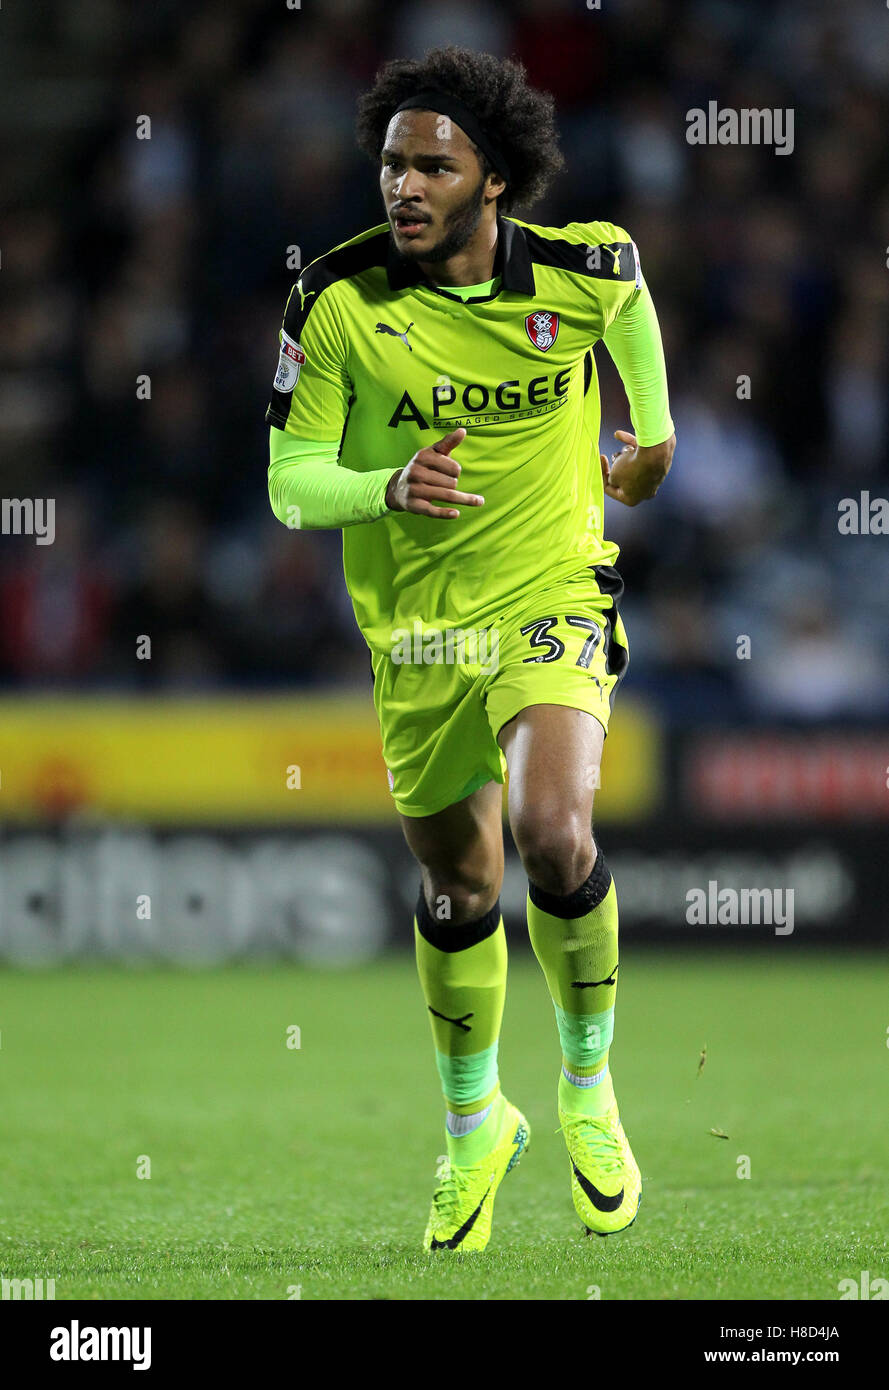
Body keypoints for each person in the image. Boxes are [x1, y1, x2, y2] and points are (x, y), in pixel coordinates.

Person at [266, 46, 675, 1251]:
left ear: (492, 181)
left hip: (549, 587)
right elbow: (291, 483)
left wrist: (650, 436)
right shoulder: (335, 301)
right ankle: (471, 1128)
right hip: (418, 627)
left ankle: (588, 1089)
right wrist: (386, 483)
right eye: (392, 162)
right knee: (458, 884)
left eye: (431, 164)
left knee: (554, 832)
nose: (403, 183)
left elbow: (632, 294)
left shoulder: (576, 268)